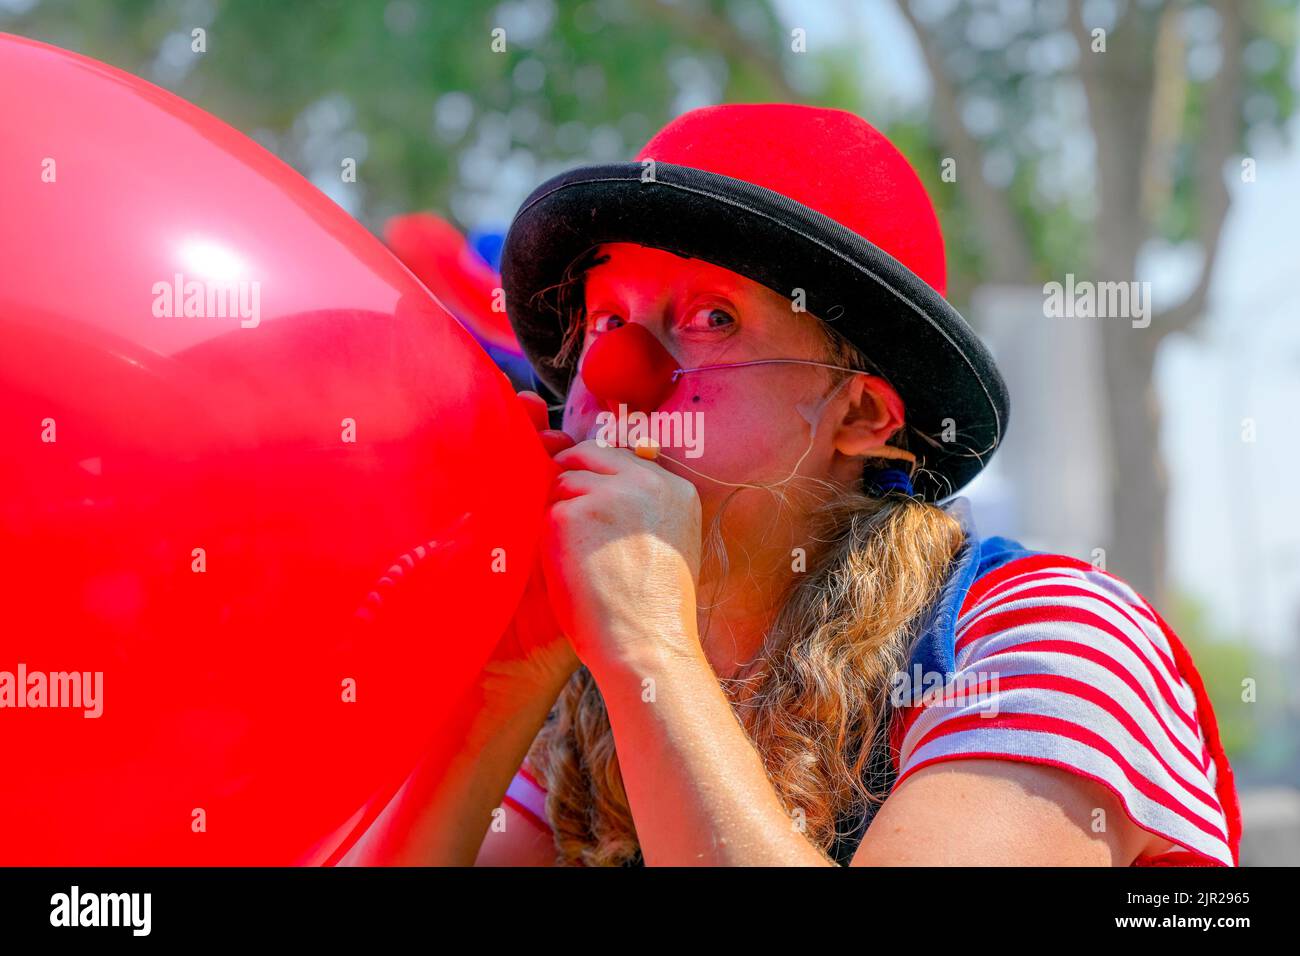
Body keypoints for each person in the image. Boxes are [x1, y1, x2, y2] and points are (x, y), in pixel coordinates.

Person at [345, 103, 1239, 867]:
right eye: (607, 317)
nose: (615, 372)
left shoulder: (1048, 637)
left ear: (861, 416)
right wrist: (510, 678)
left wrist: (654, 653)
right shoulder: (584, 705)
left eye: (712, 318)